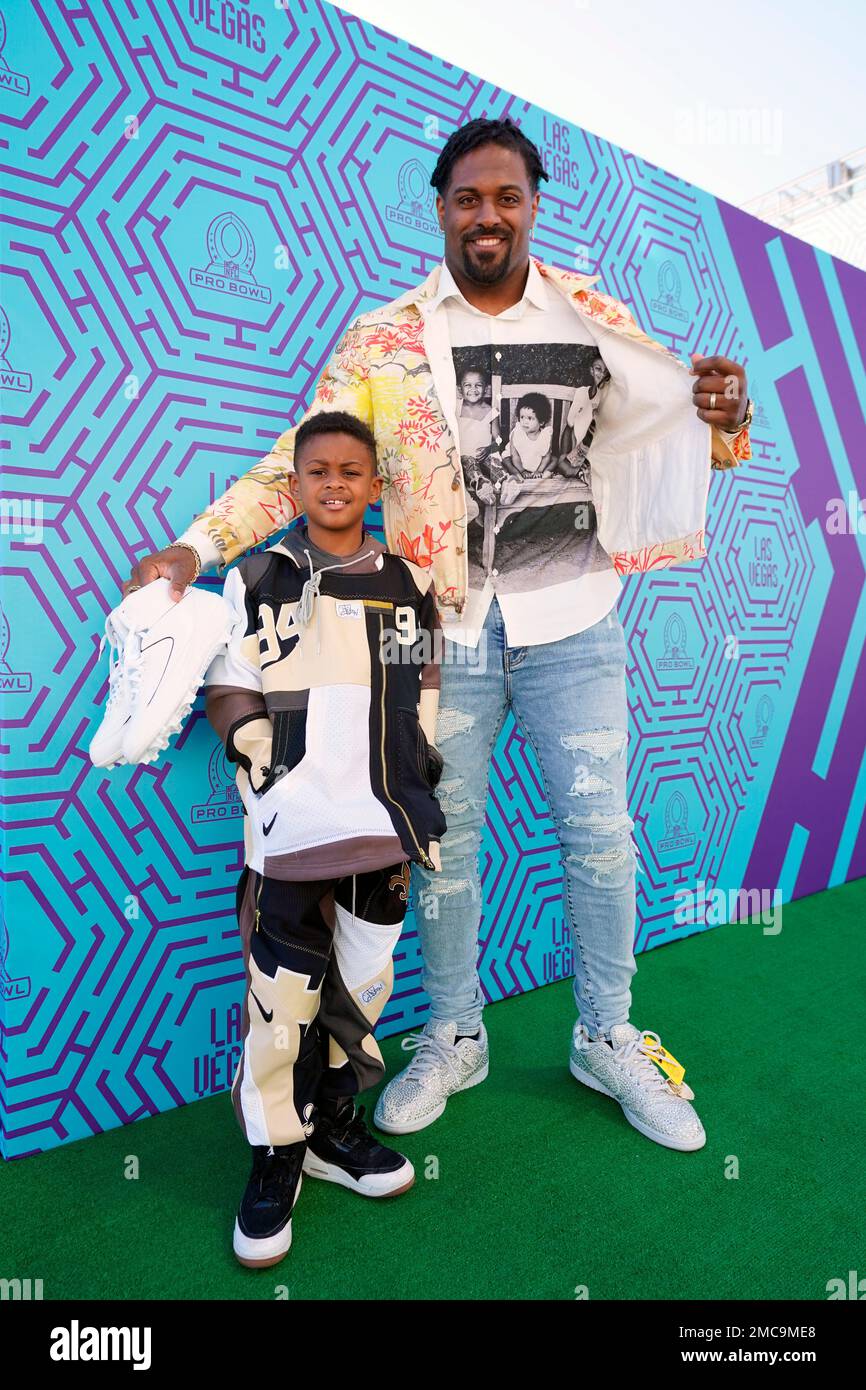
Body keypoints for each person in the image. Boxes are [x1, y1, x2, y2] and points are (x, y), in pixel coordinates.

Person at [125, 116, 753, 1156]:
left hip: (577, 622)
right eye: (467, 198)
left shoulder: (591, 315)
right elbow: (298, 463)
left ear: (532, 205)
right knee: (442, 846)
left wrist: (725, 418)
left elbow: (676, 429)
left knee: (601, 841)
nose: (487, 215)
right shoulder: (386, 338)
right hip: (440, 636)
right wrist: (195, 548)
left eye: (505, 196)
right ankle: (456, 1033)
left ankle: (605, 1034)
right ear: (440, 209)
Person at [203, 411, 446, 1267]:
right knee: (281, 1002)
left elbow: (422, 684)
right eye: (318, 470)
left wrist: (421, 770)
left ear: (374, 487)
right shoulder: (258, 574)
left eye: (353, 470)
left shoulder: (407, 582)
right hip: (293, 832)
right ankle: (276, 1153)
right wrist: (253, 744)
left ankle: (332, 1130)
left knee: (364, 985)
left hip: (380, 831)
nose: (335, 482)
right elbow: (228, 680)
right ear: (296, 483)